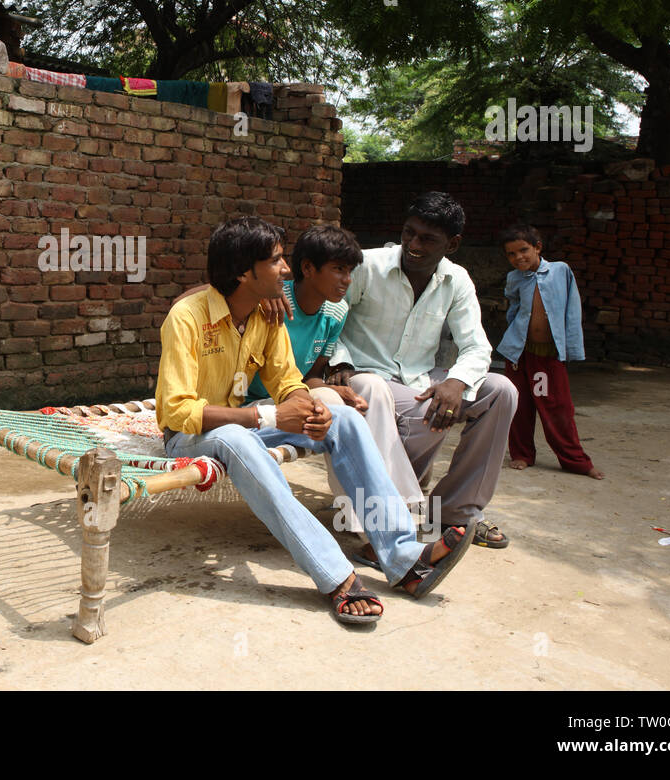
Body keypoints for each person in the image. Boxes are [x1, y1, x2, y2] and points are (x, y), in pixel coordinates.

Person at [156, 216, 476, 627]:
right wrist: (270, 414)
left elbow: (286, 378)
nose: (286, 269)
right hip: (189, 435)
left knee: (342, 417)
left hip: (241, 425)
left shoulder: (264, 317)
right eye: (275, 261)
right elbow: (176, 411)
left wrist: (309, 406)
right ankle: (336, 576)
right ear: (243, 272)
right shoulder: (187, 318)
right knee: (235, 435)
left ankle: (403, 558)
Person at [326, 192, 518, 552]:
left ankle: (453, 512)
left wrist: (457, 381)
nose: (413, 244)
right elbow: (328, 318)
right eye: (408, 233)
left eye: (427, 239)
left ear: (453, 243)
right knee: (426, 410)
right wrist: (339, 359)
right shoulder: (366, 265)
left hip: (419, 379)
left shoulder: (456, 280)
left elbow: (476, 345)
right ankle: (387, 517)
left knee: (501, 391)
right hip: (367, 378)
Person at [498, 224, 604, 479]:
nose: (518, 258)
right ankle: (522, 454)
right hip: (519, 353)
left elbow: (572, 310)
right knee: (520, 405)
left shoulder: (560, 271)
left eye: (523, 250)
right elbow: (513, 312)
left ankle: (576, 460)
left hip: (548, 354)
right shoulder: (514, 278)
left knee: (557, 408)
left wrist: (570, 349)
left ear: (538, 247)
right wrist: (511, 349)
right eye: (511, 254)